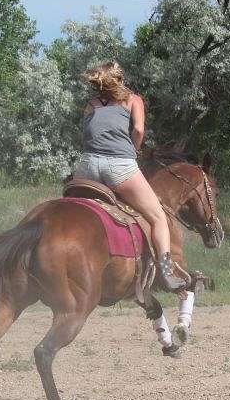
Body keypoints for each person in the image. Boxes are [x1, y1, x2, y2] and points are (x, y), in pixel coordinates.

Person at [75, 61, 188, 291]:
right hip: (119, 166)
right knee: (158, 216)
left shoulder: (91, 104)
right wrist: (134, 150)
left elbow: (88, 134)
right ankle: (166, 274)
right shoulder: (134, 99)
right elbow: (138, 130)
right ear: (120, 79)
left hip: (86, 166)